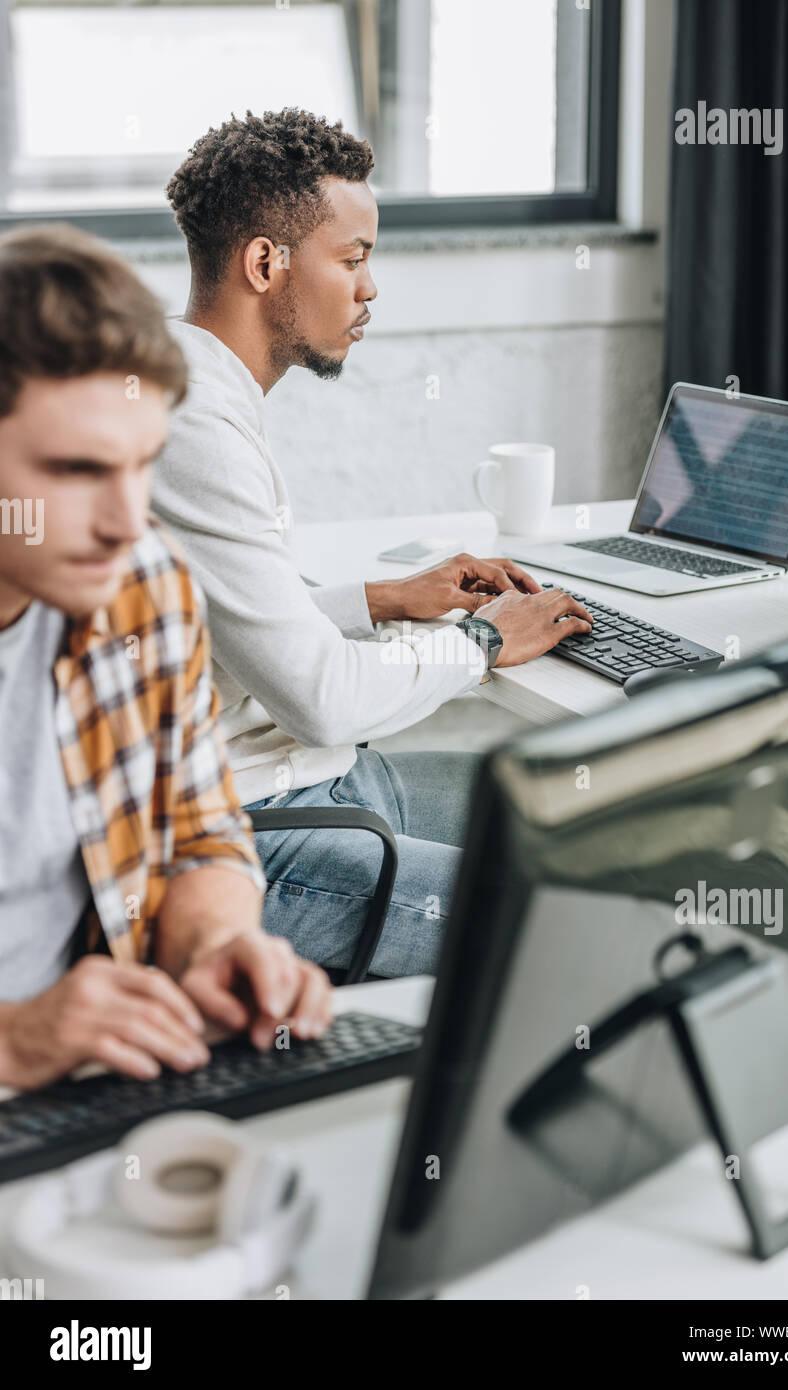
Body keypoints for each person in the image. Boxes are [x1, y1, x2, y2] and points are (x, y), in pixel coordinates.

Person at [151, 107, 592, 978]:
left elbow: (219, 625)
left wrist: (381, 600)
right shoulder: (193, 427)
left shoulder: (194, 382)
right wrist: (483, 642)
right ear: (266, 264)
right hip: (252, 842)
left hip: (309, 782)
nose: (369, 288)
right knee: (568, 933)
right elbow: (320, 698)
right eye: (351, 261)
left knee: (583, 813)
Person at [0, 225, 331, 1091]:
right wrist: (13, 1040)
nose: (123, 521)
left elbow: (198, 835)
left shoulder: (144, 588)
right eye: (77, 471)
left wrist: (219, 944)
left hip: (94, 1085)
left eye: (142, 466)